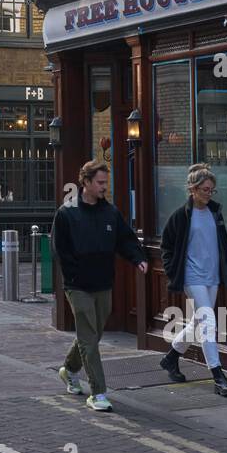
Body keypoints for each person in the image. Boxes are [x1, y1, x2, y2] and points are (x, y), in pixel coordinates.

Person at [52, 160, 148, 412]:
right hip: (77, 285)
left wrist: (138, 259)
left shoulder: (110, 213)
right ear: (85, 182)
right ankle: (98, 393)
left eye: (106, 182)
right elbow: (59, 250)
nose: (105, 187)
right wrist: (74, 274)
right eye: (100, 182)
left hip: (103, 283)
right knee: (89, 338)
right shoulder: (67, 213)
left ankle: (69, 370)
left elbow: (124, 240)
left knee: (92, 334)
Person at [158, 164, 227, 397]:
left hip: (212, 275)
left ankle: (171, 358)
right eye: (205, 189)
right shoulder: (181, 216)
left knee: (198, 323)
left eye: (212, 190)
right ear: (192, 189)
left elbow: (221, 243)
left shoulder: (215, 212)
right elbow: (167, 246)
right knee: (209, 323)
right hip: (192, 276)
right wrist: (173, 271)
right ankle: (218, 376)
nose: (209, 193)